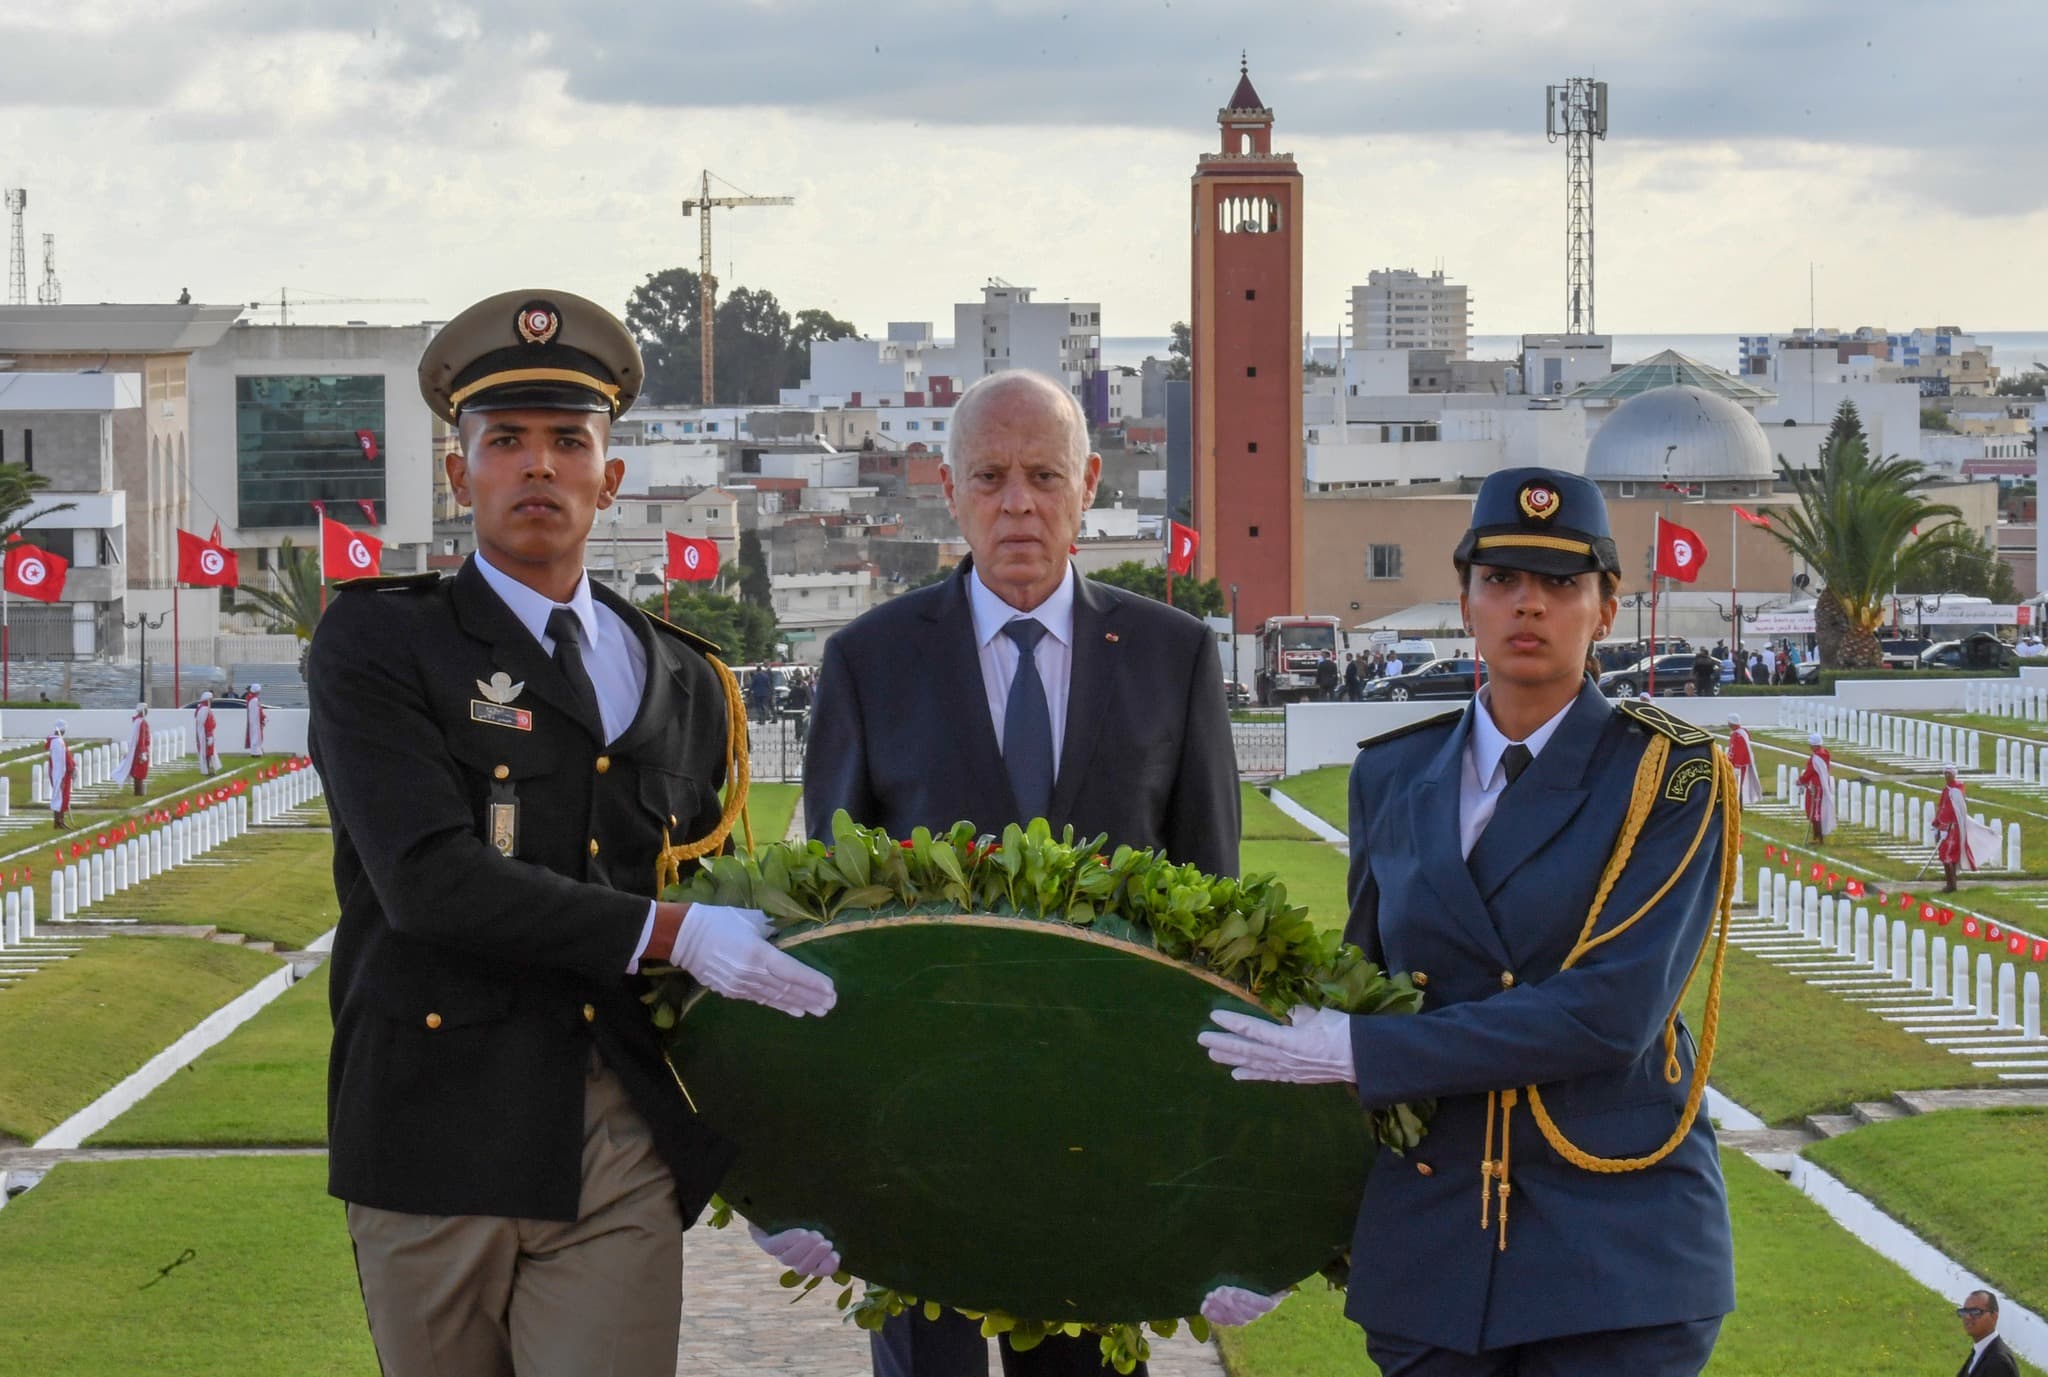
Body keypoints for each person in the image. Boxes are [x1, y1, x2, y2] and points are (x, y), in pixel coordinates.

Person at [306, 288, 837, 1377]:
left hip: (612, 1134)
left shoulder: (685, 679)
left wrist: (786, 1167)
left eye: (566, 441)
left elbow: (724, 938)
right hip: (431, 1133)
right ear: (460, 475)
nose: (536, 467)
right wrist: (668, 931)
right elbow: (427, 881)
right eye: (504, 441)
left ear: (611, 476)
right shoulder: (381, 644)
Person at [1201, 466, 1736, 1376]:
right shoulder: (1392, 777)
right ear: (1466, 603)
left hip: (1611, 1260)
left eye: (1562, 584)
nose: (1529, 605)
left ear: (1606, 610)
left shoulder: (1668, 778)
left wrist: (1366, 1055)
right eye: (1502, 581)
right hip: (1434, 1256)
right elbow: (1363, 994)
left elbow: (1611, 1012)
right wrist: (1286, 1224)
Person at [802, 369, 1243, 1377]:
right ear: (947, 490)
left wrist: (1201, 1156)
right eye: (989, 476)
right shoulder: (868, 661)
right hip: (918, 1143)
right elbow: (823, 922)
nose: (1016, 504)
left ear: (1088, 483)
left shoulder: (1170, 656)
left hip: (1106, 1149)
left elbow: (1213, 919)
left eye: (1042, 475)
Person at [1933, 767, 1998, 894]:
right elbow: (1942, 808)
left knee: (1948, 857)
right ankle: (1950, 884)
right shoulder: (1946, 790)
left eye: (1949, 773)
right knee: (1945, 857)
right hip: (1944, 828)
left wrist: (1948, 825)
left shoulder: (1956, 791)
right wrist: (1936, 824)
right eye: (1945, 773)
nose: (1946, 776)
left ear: (1953, 775)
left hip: (1953, 829)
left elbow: (1957, 812)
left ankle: (1952, 885)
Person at [1955, 1291, 2018, 1377]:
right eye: (1964, 1311)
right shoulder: (1980, 1351)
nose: (1968, 1317)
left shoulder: (1999, 1362)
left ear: (1994, 1317)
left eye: (1975, 1312)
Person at [1797, 731, 1835, 843]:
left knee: (1815, 812)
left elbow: (1809, 772)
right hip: (1819, 785)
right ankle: (1816, 836)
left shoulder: (1816, 757)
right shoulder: (1824, 754)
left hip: (1816, 787)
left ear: (1814, 745)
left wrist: (1801, 780)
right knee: (1814, 810)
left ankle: (1819, 838)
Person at [1726, 714, 1762, 806]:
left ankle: (1738, 804)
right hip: (1739, 763)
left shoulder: (1738, 735)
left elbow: (1737, 750)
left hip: (1738, 764)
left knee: (1737, 785)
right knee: (1738, 785)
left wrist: (1735, 764)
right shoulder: (1740, 733)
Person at [116, 702, 151, 797]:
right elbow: (141, 738)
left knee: (138, 772)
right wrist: (142, 752)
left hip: (138, 750)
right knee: (140, 773)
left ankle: (138, 792)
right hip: (141, 751)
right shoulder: (141, 723)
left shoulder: (137, 722)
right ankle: (139, 792)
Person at [45, 719, 75, 829]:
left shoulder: (58, 741)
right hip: (60, 774)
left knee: (61, 797)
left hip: (62, 773)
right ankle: (58, 821)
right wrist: (62, 777)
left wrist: (72, 766)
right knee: (60, 797)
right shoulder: (58, 743)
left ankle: (60, 821)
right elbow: (61, 761)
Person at [194, 690, 220, 774]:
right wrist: (209, 736)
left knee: (207, 752)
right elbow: (207, 723)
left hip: (204, 733)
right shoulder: (205, 709)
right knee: (208, 752)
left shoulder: (201, 708)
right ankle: (209, 770)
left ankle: (209, 769)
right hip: (206, 734)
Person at [244, 682, 267, 753]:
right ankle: (256, 752)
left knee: (254, 735)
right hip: (256, 721)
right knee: (256, 736)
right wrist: (263, 718)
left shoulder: (250, 698)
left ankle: (255, 751)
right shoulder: (254, 700)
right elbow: (259, 710)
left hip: (252, 721)